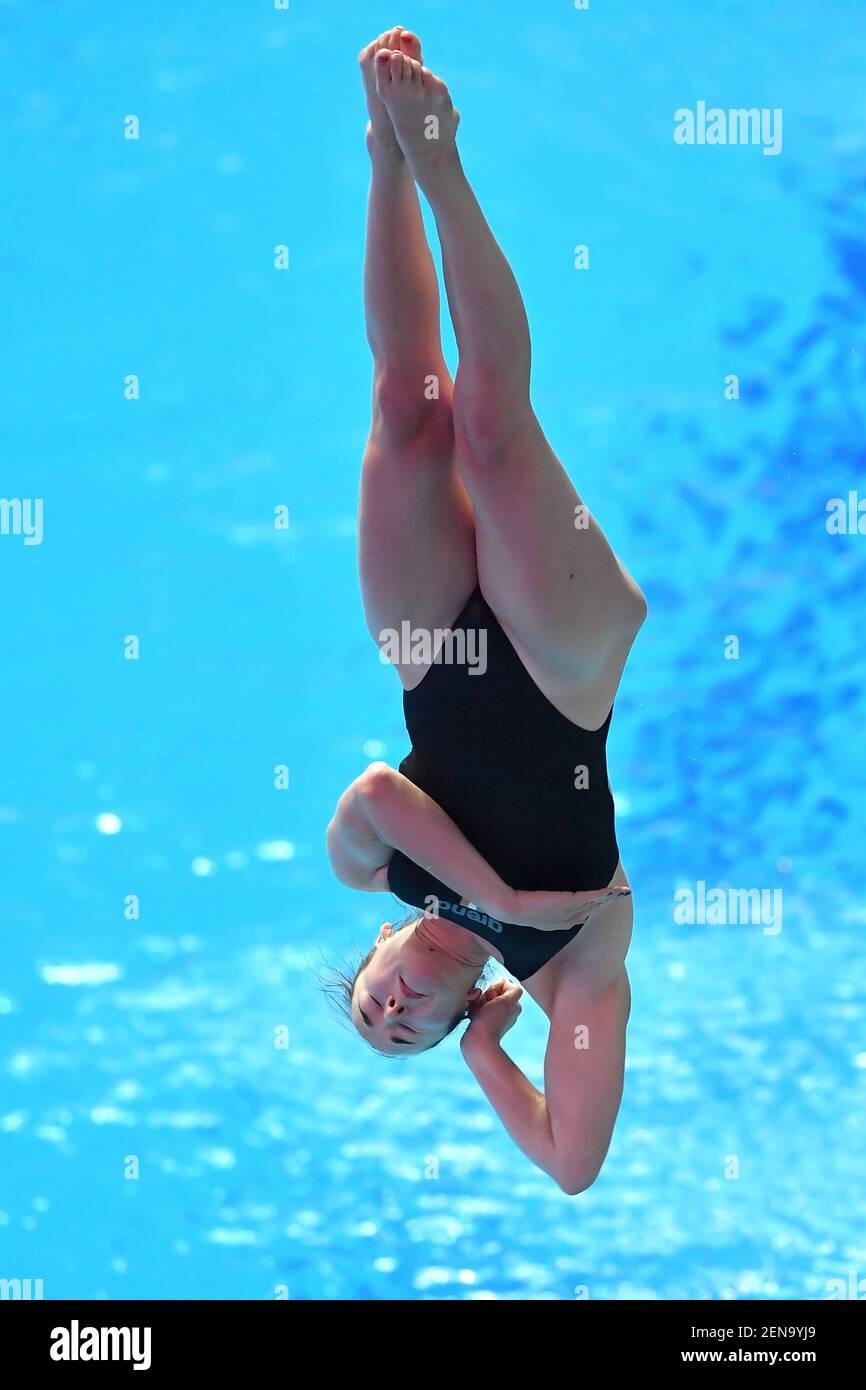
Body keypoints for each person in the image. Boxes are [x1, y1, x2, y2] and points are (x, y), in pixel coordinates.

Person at [325, 28, 647, 1195]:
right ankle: (444, 160)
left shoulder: (374, 872)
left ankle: (387, 161)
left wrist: (501, 898)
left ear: (374, 953)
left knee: (410, 409)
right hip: (564, 669)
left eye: (373, 1002)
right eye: (407, 1027)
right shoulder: (572, 967)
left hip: (432, 649)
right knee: (490, 425)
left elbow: (371, 796)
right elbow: (570, 1163)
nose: (396, 1006)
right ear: (460, 1006)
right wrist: (482, 1053)